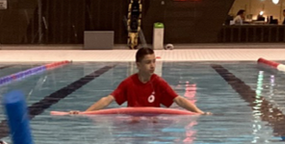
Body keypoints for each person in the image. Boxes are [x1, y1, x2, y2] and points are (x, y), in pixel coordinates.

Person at [80, 47, 208, 114]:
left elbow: (178, 99)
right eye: (148, 62)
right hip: (134, 124)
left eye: (154, 61)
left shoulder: (158, 82)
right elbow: (108, 100)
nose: (152, 66)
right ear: (138, 65)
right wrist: (85, 113)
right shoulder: (128, 83)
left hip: (153, 124)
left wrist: (199, 112)